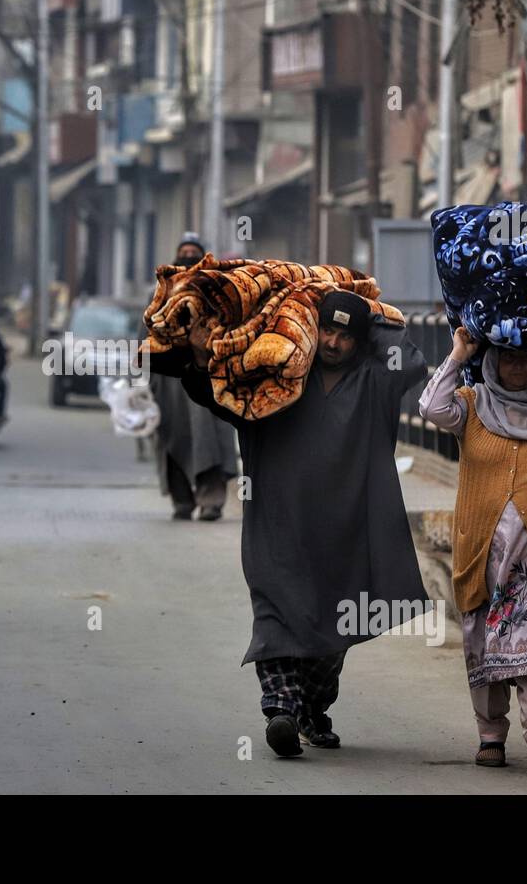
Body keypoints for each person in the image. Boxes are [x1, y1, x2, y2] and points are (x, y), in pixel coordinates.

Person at [150, 288, 430, 757]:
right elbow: (221, 400)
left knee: (328, 641)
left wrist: (376, 317)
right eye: (327, 329)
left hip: (346, 536)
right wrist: (200, 361)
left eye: (346, 335)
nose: (334, 342)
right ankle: (280, 710)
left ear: (360, 343)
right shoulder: (280, 378)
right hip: (276, 528)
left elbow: (414, 362)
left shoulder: (376, 383)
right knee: (277, 619)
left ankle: (311, 710)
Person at [418, 320, 527, 775]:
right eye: (509, 357)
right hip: (483, 557)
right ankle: (491, 734)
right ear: (493, 360)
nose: (518, 366)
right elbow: (430, 407)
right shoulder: (472, 403)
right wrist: (460, 353)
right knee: (483, 645)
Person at [147, 233, 238, 521]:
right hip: (169, 380)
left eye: (193, 251)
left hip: (207, 375)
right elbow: (146, 334)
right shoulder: (161, 291)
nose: (187, 255)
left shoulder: (217, 290)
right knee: (172, 437)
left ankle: (211, 501)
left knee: (208, 437)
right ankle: (182, 500)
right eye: (183, 250)